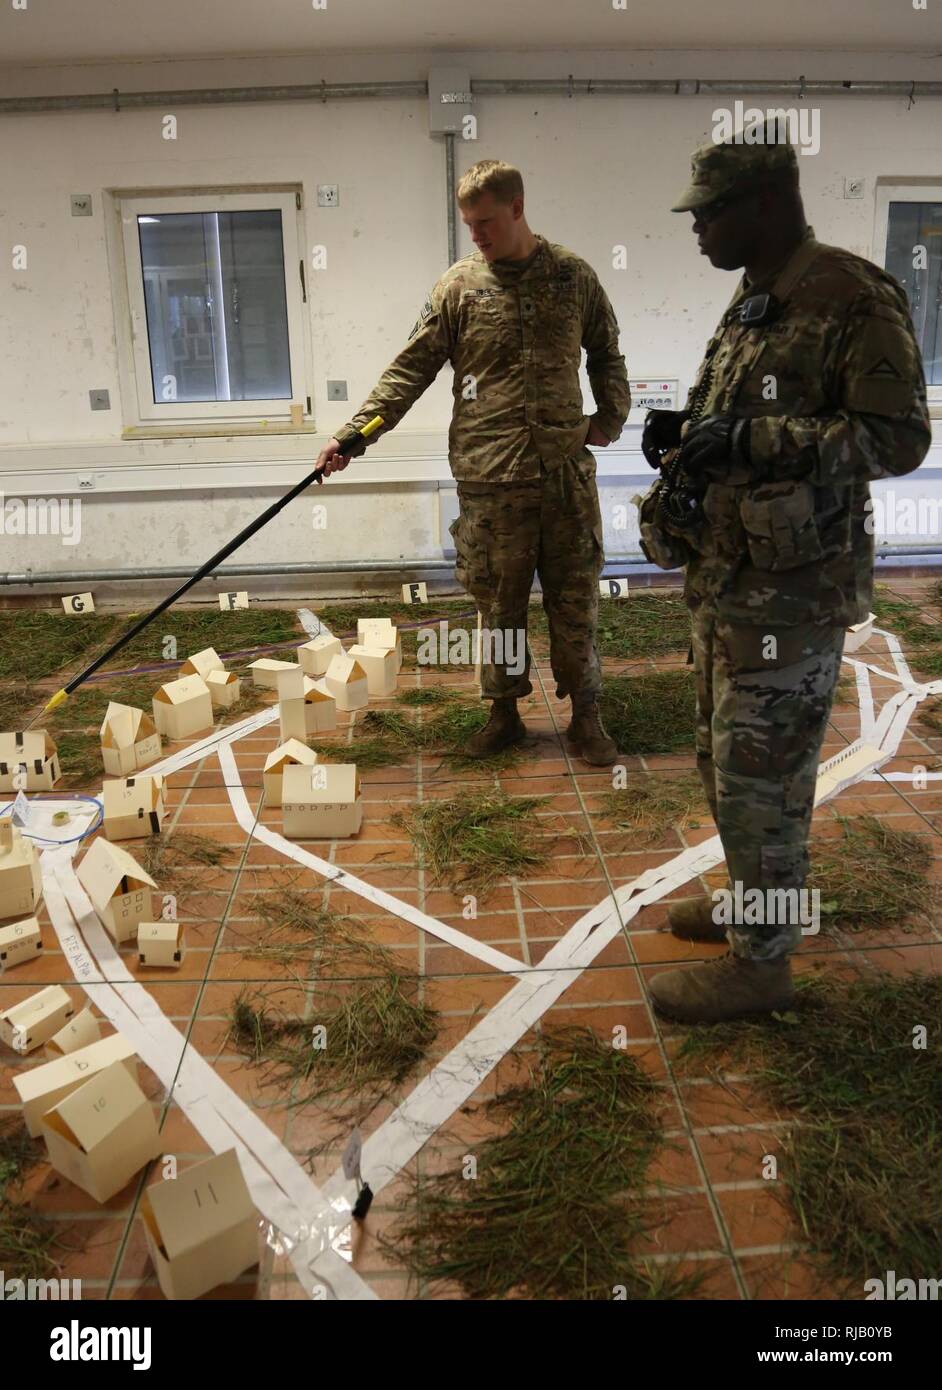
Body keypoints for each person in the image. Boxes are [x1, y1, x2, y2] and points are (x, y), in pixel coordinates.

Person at [638, 122, 931, 1024]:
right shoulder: (754, 296)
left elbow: (899, 437)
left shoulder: (851, 293)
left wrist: (762, 439)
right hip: (730, 578)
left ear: (763, 206)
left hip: (794, 592)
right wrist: (692, 430)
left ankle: (762, 967)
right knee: (723, 766)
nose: (697, 231)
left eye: (709, 213)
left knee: (762, 778)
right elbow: (752, 410)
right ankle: (750, 902)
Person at [315, 159, 631, 764]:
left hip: (565, 477)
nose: (477, 235)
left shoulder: (573, 277)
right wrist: (355, 435)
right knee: (499, 604)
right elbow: (410, 369)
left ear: (517, 207)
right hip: (490, 480)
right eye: (468, 224)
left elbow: (607, 353)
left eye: (486, 221)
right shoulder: (458, 289)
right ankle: (505, 712)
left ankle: (586, 714)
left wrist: (607, 420)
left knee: (575, 597)